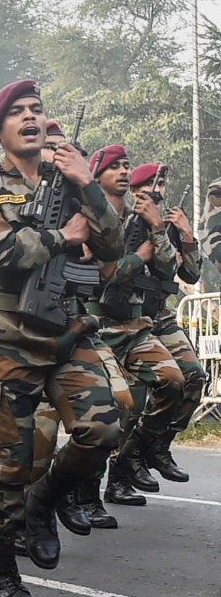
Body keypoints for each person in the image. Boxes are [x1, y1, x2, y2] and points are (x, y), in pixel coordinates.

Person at [0, 80, 122, 597]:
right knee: (12, 461)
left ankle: (44, 501)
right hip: (10, 338)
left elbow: (113, 243)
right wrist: (62, 237)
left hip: (69, 330)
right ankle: (2, 573)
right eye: (17, 112)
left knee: (103, 429)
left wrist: (88, 184)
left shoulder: (69, 180)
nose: (30, 117)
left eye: (36, 110)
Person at [83, 147, 185, 511]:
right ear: (96, 177)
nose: (124, 171)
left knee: (176, 380)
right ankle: (88, 491)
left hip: (135, 325)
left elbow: (167, 271)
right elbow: (94, 274)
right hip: (96, 325)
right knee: (117, 408)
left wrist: (159, 229)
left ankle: (131, 459)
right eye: (115, 166)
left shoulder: (141, 217)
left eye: (127, 165)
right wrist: (135, 258)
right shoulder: (89, 218)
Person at [128, 163, 206, 487]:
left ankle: (157, 447)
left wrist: (187, 236)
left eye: (162, 185)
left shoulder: (168, 226)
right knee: (133, 400)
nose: (159, 191)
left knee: (194, 377)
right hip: (128, 318)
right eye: (153, 185)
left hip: (159, 317)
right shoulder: (127, 223)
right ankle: (127, 461)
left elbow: (190, 275)